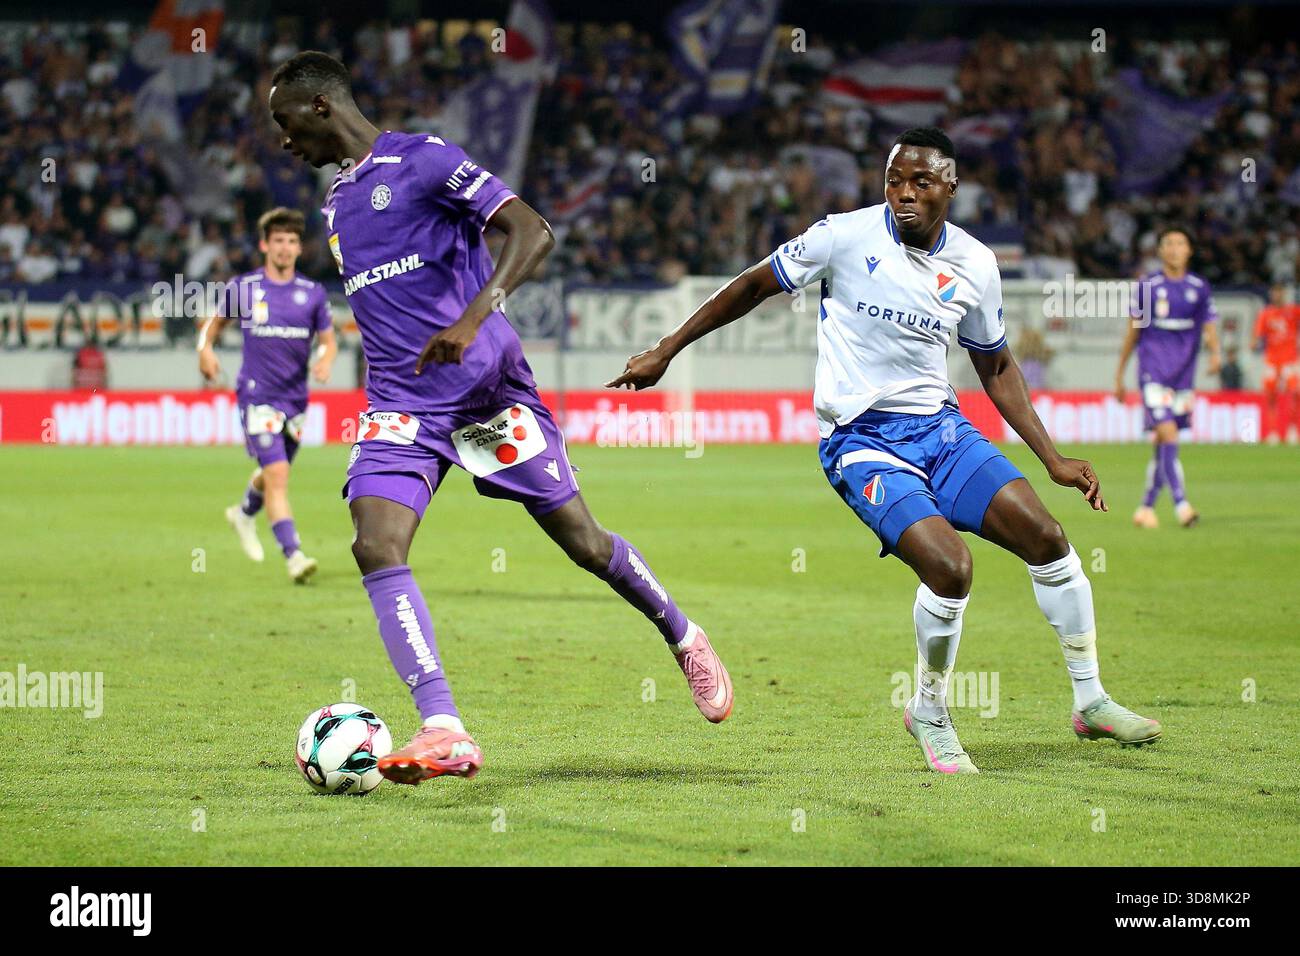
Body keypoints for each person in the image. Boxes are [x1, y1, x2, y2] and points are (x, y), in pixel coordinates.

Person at [610, 127, 1160, 774]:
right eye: (894, 180)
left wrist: (1053, 459)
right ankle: (928, 710)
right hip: (862, 442)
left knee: (1048, 537)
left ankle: (1090, 700)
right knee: (951, 568)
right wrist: (666, 350)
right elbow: (753, 285)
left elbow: (997, 365)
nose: (903, 194)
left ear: (949, 189)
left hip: (942, 431)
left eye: (920, 183)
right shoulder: (842, 236)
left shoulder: (977, 264)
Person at [268, 51, 732, 785]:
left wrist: (474, 316)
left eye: (285, 121)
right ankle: (443, 726)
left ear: (321, 106)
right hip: (401, 403)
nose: (282, 140)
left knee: (583, 542)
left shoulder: (421, 161)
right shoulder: (335, 204)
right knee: (373, 543)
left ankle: (682, 633)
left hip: (487, 392)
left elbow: (533, 229)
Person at [198, 207, 337, 583]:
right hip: (257, 396)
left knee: (272, 472)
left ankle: (243, 514)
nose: (285, 248)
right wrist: (205, 351)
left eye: (292, 241)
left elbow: (328, 341)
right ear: (264, 244)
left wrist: (324, 361)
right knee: (277, 475)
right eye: (278, 240)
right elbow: (211, 328)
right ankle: (294, 555)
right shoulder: (244, 288)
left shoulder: (312, 294)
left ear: (299, 248)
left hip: (296, 401)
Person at [1115, 227, 1222, 528]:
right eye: (1169, 244)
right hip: (1153, 374)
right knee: (1170, 434)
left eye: (1180, 243)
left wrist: (1215, 355)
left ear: (1189, 250)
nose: (1175, 249)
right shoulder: (1148, 286)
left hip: (1183, 378)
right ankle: (1182, 506)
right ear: (1160, 251)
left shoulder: (1199, 287)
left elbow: (1209, 326)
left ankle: (1146, 507)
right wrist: (1120, 374)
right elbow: (1133, 332)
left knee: (1163, 442)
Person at [1252, 283, 1299, 443]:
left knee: (1294, 394)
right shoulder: (1266, 313)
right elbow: (1257, 334)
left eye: (1279, 292)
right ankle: (1273, 432)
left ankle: (1293, 430)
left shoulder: (1293, 311)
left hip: (1290, 360)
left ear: (1284, 294)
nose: (1276, 295)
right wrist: (1254, 342)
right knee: (1270, 397)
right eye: (1274, 293)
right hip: (1272, 361)